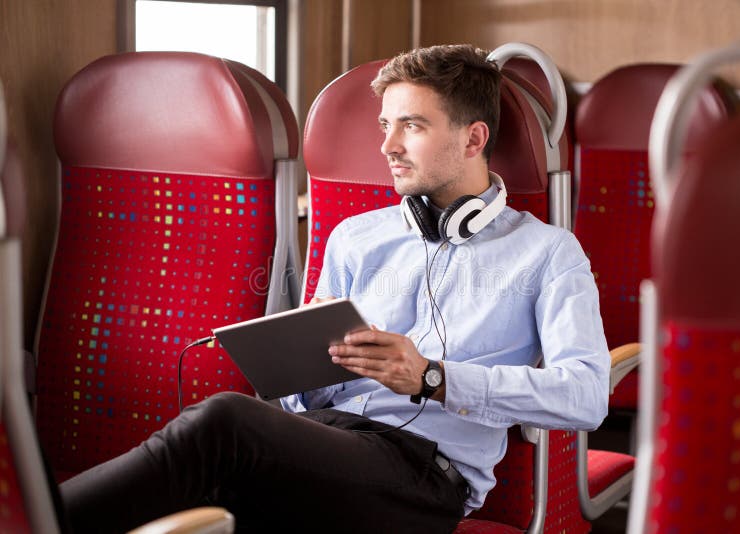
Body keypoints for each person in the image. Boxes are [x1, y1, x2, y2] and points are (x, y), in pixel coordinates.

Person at [60, 44, 609, 534]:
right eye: (385, 125)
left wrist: (433, 378)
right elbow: (305, 404)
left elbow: (585, 396)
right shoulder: (356, 237)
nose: (388, 145)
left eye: (412, 126)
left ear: (474, 138)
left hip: (426, 474)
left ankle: (34, 518)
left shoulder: (548, 253)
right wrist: (309, 361)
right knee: (198, 497)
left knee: (221, 423)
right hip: (326, 442)